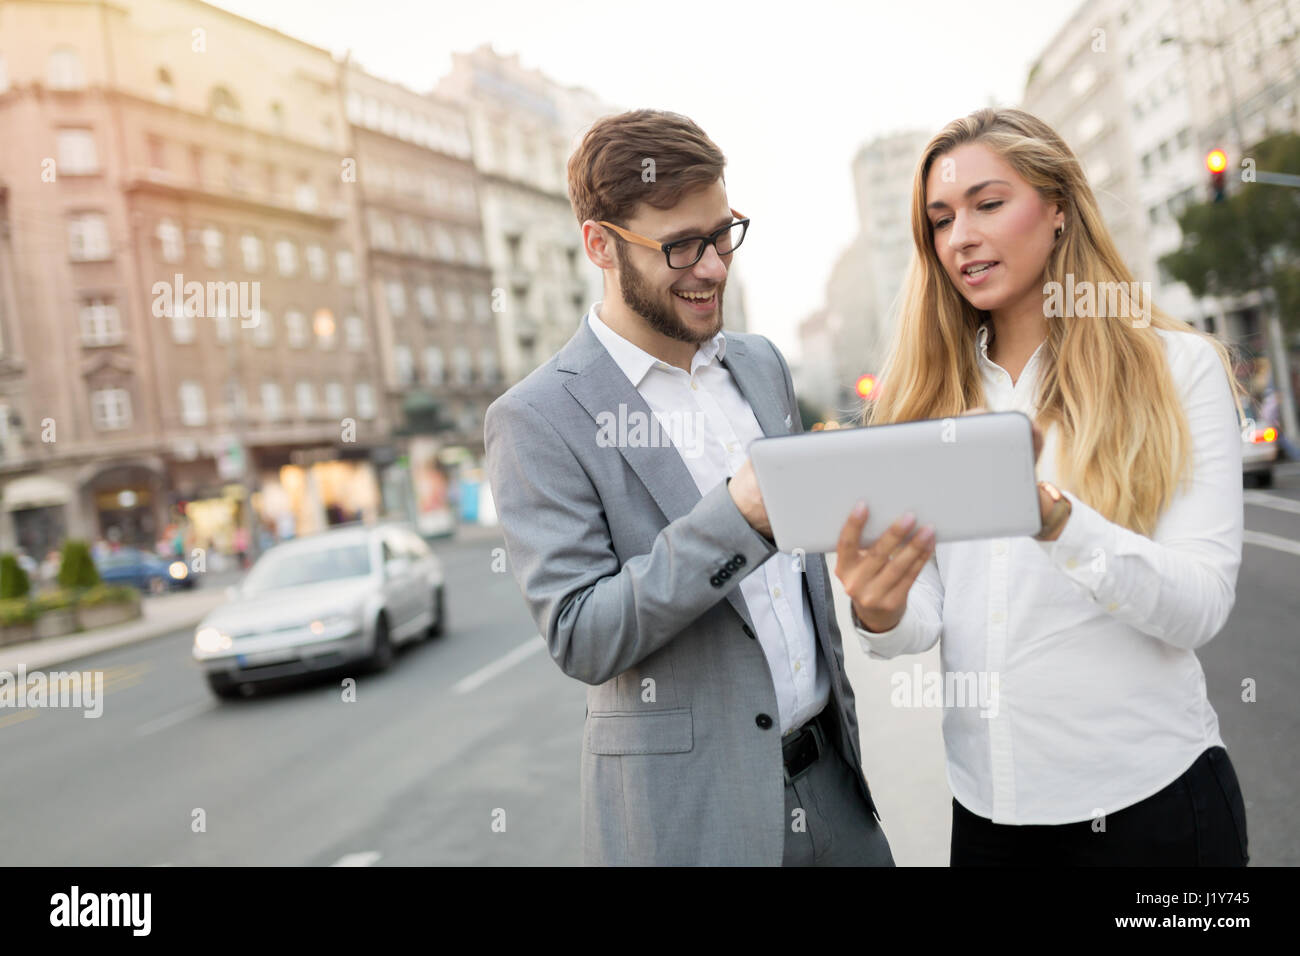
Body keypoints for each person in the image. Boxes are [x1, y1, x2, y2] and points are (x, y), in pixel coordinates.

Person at [835, 107, 1248, 866]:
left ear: (1058, 207)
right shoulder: (920, 400)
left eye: (989, 204)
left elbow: (1198, 607)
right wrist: (880, 606)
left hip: (1157, 812)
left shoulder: (1174, 368)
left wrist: (1056, 520)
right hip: (989, 820)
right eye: (940, 219)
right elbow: (925, 614)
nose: (961, 236)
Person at [484, 109, 893, 866]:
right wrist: (738, 516)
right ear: (600, 245)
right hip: (694, 824)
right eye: (679, 246)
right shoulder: (536, 418)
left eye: (723, 233)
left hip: (835, 795)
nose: (712, 267)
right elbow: (581, 631)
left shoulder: (761, 362)